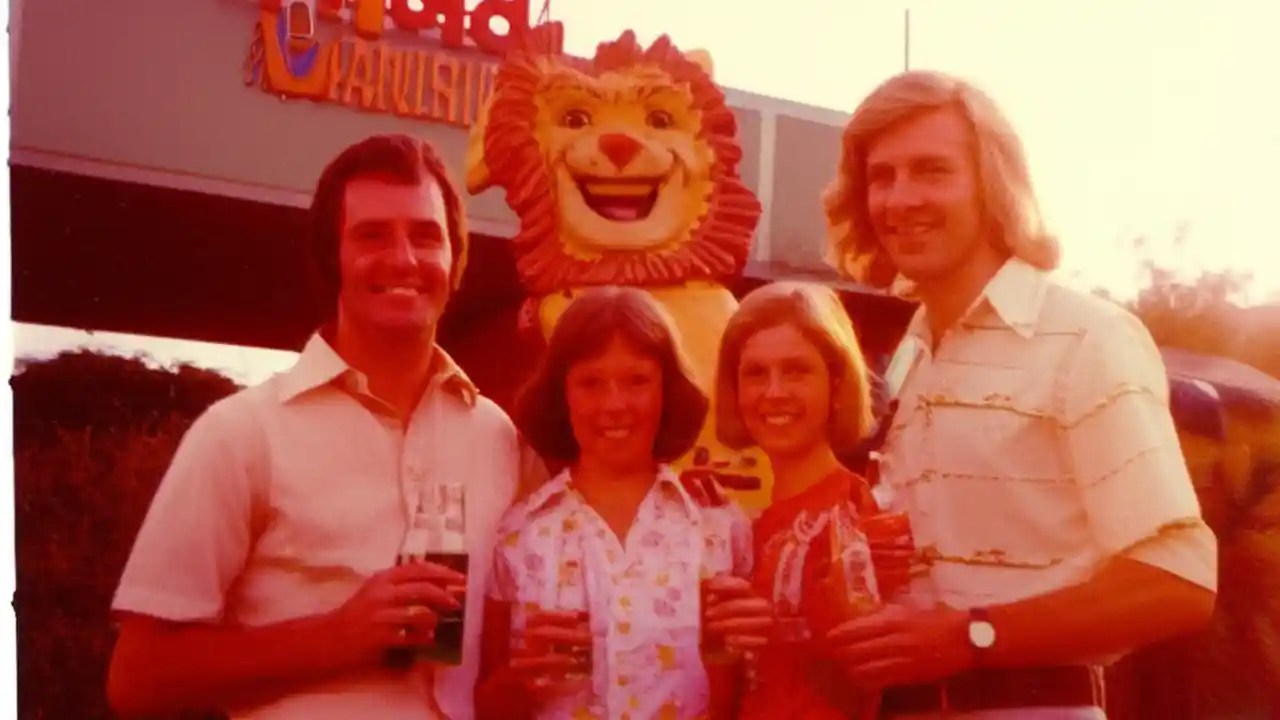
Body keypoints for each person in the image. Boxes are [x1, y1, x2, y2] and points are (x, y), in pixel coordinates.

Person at [820, 70, 1218, 718]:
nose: (900, 198)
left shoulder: (1085, 336)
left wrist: (970, 636)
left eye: (932, 170)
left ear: (992, 185)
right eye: (881, 176)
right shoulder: (910, 355)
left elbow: (1178, 581)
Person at [107, 134, 534, 719]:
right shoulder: (242, 433)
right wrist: (336, 636)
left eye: (425, 236)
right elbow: (136, 680)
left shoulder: (497, 438)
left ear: (455, 260)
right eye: (372, 235)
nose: (403, 259)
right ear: (333, 258)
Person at [474, 286, 774, 720]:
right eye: (591, 382)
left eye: (637, 380)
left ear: (666, 391)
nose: (614, 405)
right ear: (563, 395)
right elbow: (483, 707)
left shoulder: (718, 527)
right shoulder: (518, 536)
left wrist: (743, 653)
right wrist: (520, 680)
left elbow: (757, 695)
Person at [712, 281, 912, 719]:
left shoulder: (857, 518)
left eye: (796, 370)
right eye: (756, 373)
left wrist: (779, 631)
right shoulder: (744, 526)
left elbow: (876, 691)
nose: (774, 392)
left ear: (836, 385)